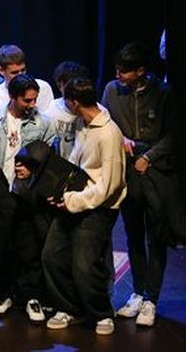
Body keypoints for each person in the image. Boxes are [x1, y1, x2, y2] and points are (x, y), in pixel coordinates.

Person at [42, 76, 127, 335]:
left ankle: (101, 312)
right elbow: (75, 163)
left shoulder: (109, 134)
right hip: (73, 200)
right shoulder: (83, 124)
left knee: (84, 263)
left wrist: (72, 201)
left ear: (75, 102)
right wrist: (60, 192)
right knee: (52, 255)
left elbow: (108, 186)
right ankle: (70, 308)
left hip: (96, 207)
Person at [103, 42, 177, 328]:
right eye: (117, 69)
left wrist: (148, 156)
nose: (118, 75)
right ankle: (137, 291)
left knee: (155, 236)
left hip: (156, 172)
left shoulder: (164, 93)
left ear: (141, 71)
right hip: (128, 173)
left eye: (125, 71)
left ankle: (151, 298)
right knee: (133, 234)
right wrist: (120, 140)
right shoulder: (112, 90)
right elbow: (106, 120)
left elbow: (174, 135)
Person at [0, 74, 55, 319]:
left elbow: (49, 157)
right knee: (0, 246)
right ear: (13, 98)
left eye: (34, 100)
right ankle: (3, 294)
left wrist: (33, 168)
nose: (32, 105)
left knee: (28, 246)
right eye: (27, 100)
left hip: (26, 194)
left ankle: (31, 296)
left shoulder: (43, 123)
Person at [0, 44, 55, 113]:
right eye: (14, 73)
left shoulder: (43, 88)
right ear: (1, 70)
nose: (20, 76)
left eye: (23, 70)